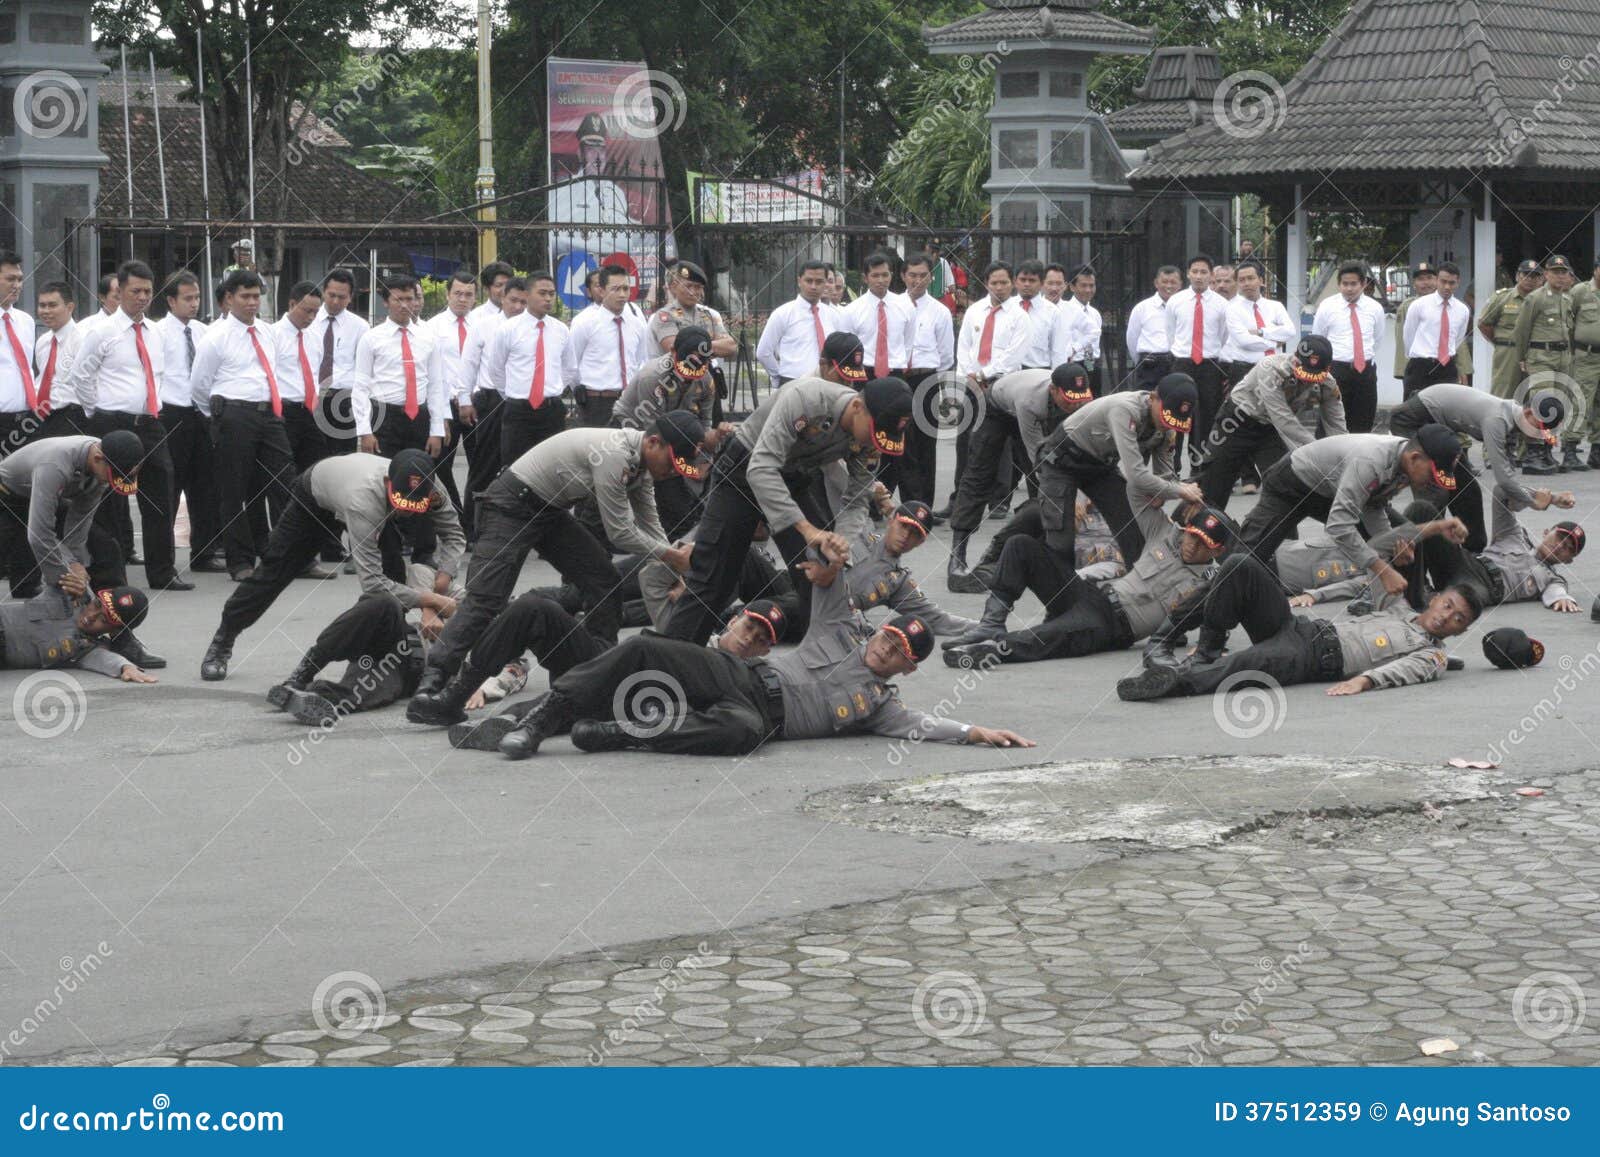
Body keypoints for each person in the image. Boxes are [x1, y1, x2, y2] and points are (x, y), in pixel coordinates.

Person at [493, 554, 1034, 759]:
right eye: (888, 637)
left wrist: (975, 732)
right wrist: (829, 556)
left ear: (907, 669)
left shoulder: (880, 706)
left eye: (897, 653)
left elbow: (927, 725)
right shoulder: (839, 628)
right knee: (645, 648)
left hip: (758, 717)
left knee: (742, 735)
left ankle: (620, 733)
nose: (886, 647)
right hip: (738, 674)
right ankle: (544, 718)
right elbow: (830, 576)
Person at [409, 414, 707, 701]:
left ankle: (595, 669)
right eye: (673, 461)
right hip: (509, 505)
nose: (674, 470)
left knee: (604, 582)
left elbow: (651, 527)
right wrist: (671, 555)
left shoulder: (640, 466)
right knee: (486, 598)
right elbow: (619, 532)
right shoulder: (615, 454)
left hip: (548, 512)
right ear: (653, 442)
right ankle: (434, 680)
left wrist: (673, 562)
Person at [658, 377, 911, 645]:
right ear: (858, 406)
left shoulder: (874, 438)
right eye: (873, 432)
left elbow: (857, 499)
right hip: (743, 471)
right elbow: (761, 468)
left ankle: (828, 667)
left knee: (820, 574)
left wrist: (840, 547)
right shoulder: (808, 399)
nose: (874, 442)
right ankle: (674, 659)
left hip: (793, 476)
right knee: (712, 577)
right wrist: (807, 529)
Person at [198, 450, 465, 681]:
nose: (406, 512)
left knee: (394, 571)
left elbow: (453, 534)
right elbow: (372, 582)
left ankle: (385, 652)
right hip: (315, 499)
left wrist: (443, 578)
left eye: (414, 506)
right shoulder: (364, 499)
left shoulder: (433, 489)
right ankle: (224, 638)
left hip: (369, 503)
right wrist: (431, 599)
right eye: (402, 504)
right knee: (274, 572)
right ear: (388, 483)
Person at [1116, 550, 1482, 701]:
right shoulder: (1399, 606)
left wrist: (1364, 680)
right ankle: (1206, 651)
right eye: (1447, 605)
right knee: (1240, 565)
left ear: (1460, 630)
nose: (1446, 616)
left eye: (1457, 619)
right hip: (1298, 626)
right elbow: (1372, 573)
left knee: (1247, 664)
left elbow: (1405, 671)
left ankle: (1173, 684)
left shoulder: (1431, 654)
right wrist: (1315, 594)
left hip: (1313, 657)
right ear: (1435, 598)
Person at [942, 500, 1231, 670]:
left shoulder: (1210, 585)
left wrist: (1209, 647)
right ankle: (992, 623)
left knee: (1047, 636)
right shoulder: (1165, 535)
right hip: (1091, 595)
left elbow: (1220, 619)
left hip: (1112, 626)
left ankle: (988, 651)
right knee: (1021, 546)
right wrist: (1178, 492)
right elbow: (1137, 490)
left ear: (1217, 551)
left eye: (1203, 544)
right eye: (1192, 536)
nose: (1192, 546)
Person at [70, 260, 190, 592]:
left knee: (161, 495)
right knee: (109, 501)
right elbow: (81, 377)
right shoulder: (101, 332)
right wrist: (99, 413)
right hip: (113, 422)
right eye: (135, 291)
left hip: (150, 422)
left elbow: (158, 375)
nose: (141, 297)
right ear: (120, 291)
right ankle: (112, 572)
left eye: (147, 292)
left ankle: (162, 571)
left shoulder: (155, 333)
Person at [1237, 426, 1466, 598]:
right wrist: (1381, 568)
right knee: (1243, 561)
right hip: (1291, 484)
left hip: (1334, 489)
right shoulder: (1372, 461)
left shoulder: (1406, 460)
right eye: (1432, 475)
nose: (1432, 483)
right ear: (1415, 458)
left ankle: (1413, 619)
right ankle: (1210, 643)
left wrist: (1393, 543)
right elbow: (1339, 526)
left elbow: (1373, 504)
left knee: (1405, 539)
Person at [1295, 496, 1583, 616]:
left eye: (1568, 549)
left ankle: (1413, 599)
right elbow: (1502, 495)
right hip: (1467, 562)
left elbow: (1558, 595)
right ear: (1548, 531)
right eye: (1560, 538)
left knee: (1462, 596)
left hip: (1485, 589)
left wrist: (1562, 600)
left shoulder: (1552, 577)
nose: (1561, 547)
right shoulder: (1514, 536)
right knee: (1420, 510)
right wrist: (1540, 499)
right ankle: (1403, 582)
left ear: (1569, 561)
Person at [188, 269, 297, 582]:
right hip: (234, 414)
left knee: (283, 482)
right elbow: (199, 385)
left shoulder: (266, 331)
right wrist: (217, 419)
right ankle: (240, 561)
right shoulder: (216, 337)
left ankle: (281, 554)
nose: (252, 303)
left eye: (256, 296)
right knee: (233, 490)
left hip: (269, 414)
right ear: (228, 299)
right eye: (245, 297)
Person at [1034, 374, 1201, 574]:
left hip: (1100, 466)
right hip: (1062, 461)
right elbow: (1137, 475)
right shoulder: (1125, 409)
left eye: (1174, 422)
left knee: (1132, 529)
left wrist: (1168, 494)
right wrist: (1181, 491)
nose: (1167, 426)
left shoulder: (1167, 428)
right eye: (1166, 417)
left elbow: (1165, 476)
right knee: (1061, 538)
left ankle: (1135, 591)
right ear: (1154, 397)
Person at [947, 362, 1093, 590]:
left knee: (1042, 488)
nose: (1075, 404)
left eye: (1079, 398)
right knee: (979, 477)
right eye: (1069, 399)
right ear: (1054, 391)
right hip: (996, 409)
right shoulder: (1031, 401)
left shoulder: (1082, 401)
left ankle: (1037, 554)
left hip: (1032, 413)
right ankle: (957, 560)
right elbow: (1039, 458)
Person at [265, 562, 466, 726]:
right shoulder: (466, 596)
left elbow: (482, 667)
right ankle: (302, 674)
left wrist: (477, 689)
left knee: (354, 692)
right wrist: (430, 608)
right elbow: (418, 571)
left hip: (412, 670)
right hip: (397, 636)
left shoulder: (488, 625)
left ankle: (311, 696)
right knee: (384, 602)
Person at [1387, 384, 1574, 552]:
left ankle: (1472, 559)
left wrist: (1551, 498)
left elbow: (1509, 482)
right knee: (1435, 495)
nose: (1538, 435)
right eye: (1538, 428)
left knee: (1469, 492)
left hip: (1438, 428)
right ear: (1527, 414)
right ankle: (1409, 563)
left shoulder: (1514, 419)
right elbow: (1504, 480)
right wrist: (1535, 503)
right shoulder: (1497, 421)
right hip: (1411, 420)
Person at [353, 274, 449, 566]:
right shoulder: (371, 338)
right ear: (386, 302)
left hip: (417, 416)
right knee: (388, 487)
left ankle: (424, 552)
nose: (405, 305)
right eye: (398, 299)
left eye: (410, 299)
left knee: (421, 483)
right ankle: (389, 552)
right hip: (385, 417)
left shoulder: (428, 338)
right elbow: (360, 386)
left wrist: (436, 428)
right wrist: (364, 431)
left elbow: (436, 385)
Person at [1198, 336, 1345, 510]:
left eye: (1315, 378)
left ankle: (1282, 536)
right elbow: (1283, 419)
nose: (1309, 381)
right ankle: (1191, 531)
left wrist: (1344, 458)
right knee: (1212, 489)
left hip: (1270, 430)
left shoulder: (1328, 383)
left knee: (1285, 487)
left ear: (1328, 369)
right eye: (1305, 375)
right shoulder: (1271, 368)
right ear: (1295, 360)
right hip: (1237, 422)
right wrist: (1317, 452)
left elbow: (1337, 427)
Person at [0, 431, 142, 598]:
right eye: (113, 477)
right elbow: (40, 534)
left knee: (104, 545)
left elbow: (79, 524)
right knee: (23, 548)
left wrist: (75, 564)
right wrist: (65, 579)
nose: (109, 483)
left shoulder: (106, 461)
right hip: (9, 495)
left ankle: (108, 601)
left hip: (46, 491)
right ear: (97, 459)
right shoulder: (55, 465)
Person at [155, 272, 224, 575]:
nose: (194, 304)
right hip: (171, 414)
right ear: (171, 301)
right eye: (187, 298)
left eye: (196, 297)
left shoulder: (203, 331)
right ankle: (164, 557)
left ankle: (204, 552)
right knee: (170, 486)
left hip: (201, 414)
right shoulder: (157, 333)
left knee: (205, 486)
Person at [0, 570, 156, 683]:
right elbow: (47, 546)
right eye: (96, 605)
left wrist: (126, 667)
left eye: (102, 619)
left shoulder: (86, 649)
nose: (90, 616)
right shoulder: (72, 591)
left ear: (115, 631)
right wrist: (74, 565)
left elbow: (107, 660)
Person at [477, 273, 566, 469]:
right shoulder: (509, 329)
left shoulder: (561, 330)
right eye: (542, 293)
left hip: (551, 411)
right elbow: (496, 369)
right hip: (519, 411)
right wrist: (512, 395)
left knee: (552, 469)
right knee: (516, 469)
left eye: (551, 293)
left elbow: (569, 368)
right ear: (528, 294)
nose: (548, 298)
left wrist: (553, 390)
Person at [1513, 254, 1579, 472]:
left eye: (1564, 273)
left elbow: (1569, 332)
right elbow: (1521, 330)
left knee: (1557, 407)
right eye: (1555, 272)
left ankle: (1547, 451)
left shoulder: (1567, 299)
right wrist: (1522, 358)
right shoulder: (1536, 298)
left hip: (1562, 358)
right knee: (1541, 405)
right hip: (1541, 356)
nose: (1560, 277)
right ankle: (1533, 454)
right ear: (1546, 274)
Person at [899, 252, 956, 506]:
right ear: (903, 276)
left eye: (923, 276)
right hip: (900, 381)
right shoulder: (894, 306)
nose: (918, 281)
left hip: (927, 380)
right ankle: (909, 500)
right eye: (912, 275)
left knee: (926, 442)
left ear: (931, 277)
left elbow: (945, 354)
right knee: (901, 442)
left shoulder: (940, 311)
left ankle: (925, 505)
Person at [1164, 255, 1229, 465]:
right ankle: (1173, 463)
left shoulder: (1221, 304)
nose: (1199, 276)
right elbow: (1170, 333)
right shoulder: (1176, 301)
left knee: (1207, 415)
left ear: (1211, 275)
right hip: (1182, 362)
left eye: (1204, 272)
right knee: (1177, 413)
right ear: (1188, 274)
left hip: (1210, 364)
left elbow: (1224, 335)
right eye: (1195, 272)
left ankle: (1199, 463)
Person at [566, 263, 650, 426]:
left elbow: (641, 361)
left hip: (629, 401)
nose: (622, 294)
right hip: (596, 403)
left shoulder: (637, 324)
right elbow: (572, 363)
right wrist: (586, 392)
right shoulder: (584, 323)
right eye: (615, 289)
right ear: (602, 291)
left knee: (628, 448)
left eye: (626, 289)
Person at [1312, 261, 1386, 434]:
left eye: (1354, 284)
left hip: (1365, 372)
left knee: (1362, 422)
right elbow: (1318, 339)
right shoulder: (1327, 306)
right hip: (1336, 370)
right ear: (1339, 284)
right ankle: (1325, 459)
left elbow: (1377, 338)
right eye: (1345, 284)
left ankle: (1357, 460)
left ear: (1363, 284)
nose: (1349, 288)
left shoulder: (1374, 308)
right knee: (1330, 423)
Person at [307, 268, 370, 464]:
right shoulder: (309, 321)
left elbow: (364, 371)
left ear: (350, 297)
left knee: (342, 460)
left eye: (341, 297)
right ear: (323, 292)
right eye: (331, 295)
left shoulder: (360, 327)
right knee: (312, 457)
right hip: (312, 398)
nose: (335, 301)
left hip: (343, 401)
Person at [755, 261, 843, 387]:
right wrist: (778, 378)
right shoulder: (783, 314)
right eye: (809, 281)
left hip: (827, 383)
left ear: (825, 283)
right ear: (799, 281)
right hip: (793, 382)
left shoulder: (833, 316)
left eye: (819, 282)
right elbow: (763, 352)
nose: (813, 286)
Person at [1477, 259, 1544, 402]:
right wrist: (1501, 341)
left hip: (1536, 354)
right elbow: (1484, 324)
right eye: (1526, 275)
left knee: (1535, 397)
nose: (1530, 279)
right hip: (1508, 353)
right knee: (1502, 396)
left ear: (1541, 280)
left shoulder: (1544, 301)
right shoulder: (1502, 297)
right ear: (1517, 276)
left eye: (1535, 276)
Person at [1222, 260, 1297, 387]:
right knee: (1244, 406)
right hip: (1245, 369)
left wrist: (1261, 332)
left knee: (1274, 405)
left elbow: (1290, 331)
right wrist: (1275, 342)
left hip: (1275, 368)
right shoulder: (1232, 309)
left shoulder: (1275, 306)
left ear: (1261, 280)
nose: (1246, 283)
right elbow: (1244, 341)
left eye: (1250, 278)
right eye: (1241, 280)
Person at [1401, 261, 1470, 397]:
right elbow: (1408, 336)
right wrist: (1418, 356)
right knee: (1415, 412)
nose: (1447, 287)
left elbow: (1457, 339)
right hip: (1420, 366)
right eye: (1443, 281)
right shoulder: (1419, 305)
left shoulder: (1463, 310)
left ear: (1458, 282)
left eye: (1452, 283)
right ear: (1437, 280)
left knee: (1445, 413)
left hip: (1447, 368)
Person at [0, 251, 41, 456]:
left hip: (25, 419)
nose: (17, 285)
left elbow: (27, 367)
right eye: (10, 279)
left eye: (19, 279)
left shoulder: (26, 321)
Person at [31, 280, 84, 441]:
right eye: (42, 305)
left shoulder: (82, 339)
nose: (46, 311)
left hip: (71, 418)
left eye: (52, 305)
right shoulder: (42, 342)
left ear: (70, 307)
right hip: (39, 418)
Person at [1126, 265, 1181, 391]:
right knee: (1146, 403)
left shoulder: (1185, 308)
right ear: (1156, 283)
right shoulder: (1142, 308)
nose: (1169, 286)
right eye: (1164, 282)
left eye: (1173, 282)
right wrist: (1141, 361)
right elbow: (1132, 339)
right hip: (1150, 365)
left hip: (1177, 363)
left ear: (1180, 285)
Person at [1569, 256, 1600, 470]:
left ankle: (1597, 451)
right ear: (1596, 269)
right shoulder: (1580, 291)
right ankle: (1570, 450)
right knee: (1580, 402)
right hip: (1586, 356)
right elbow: (1567, 322)